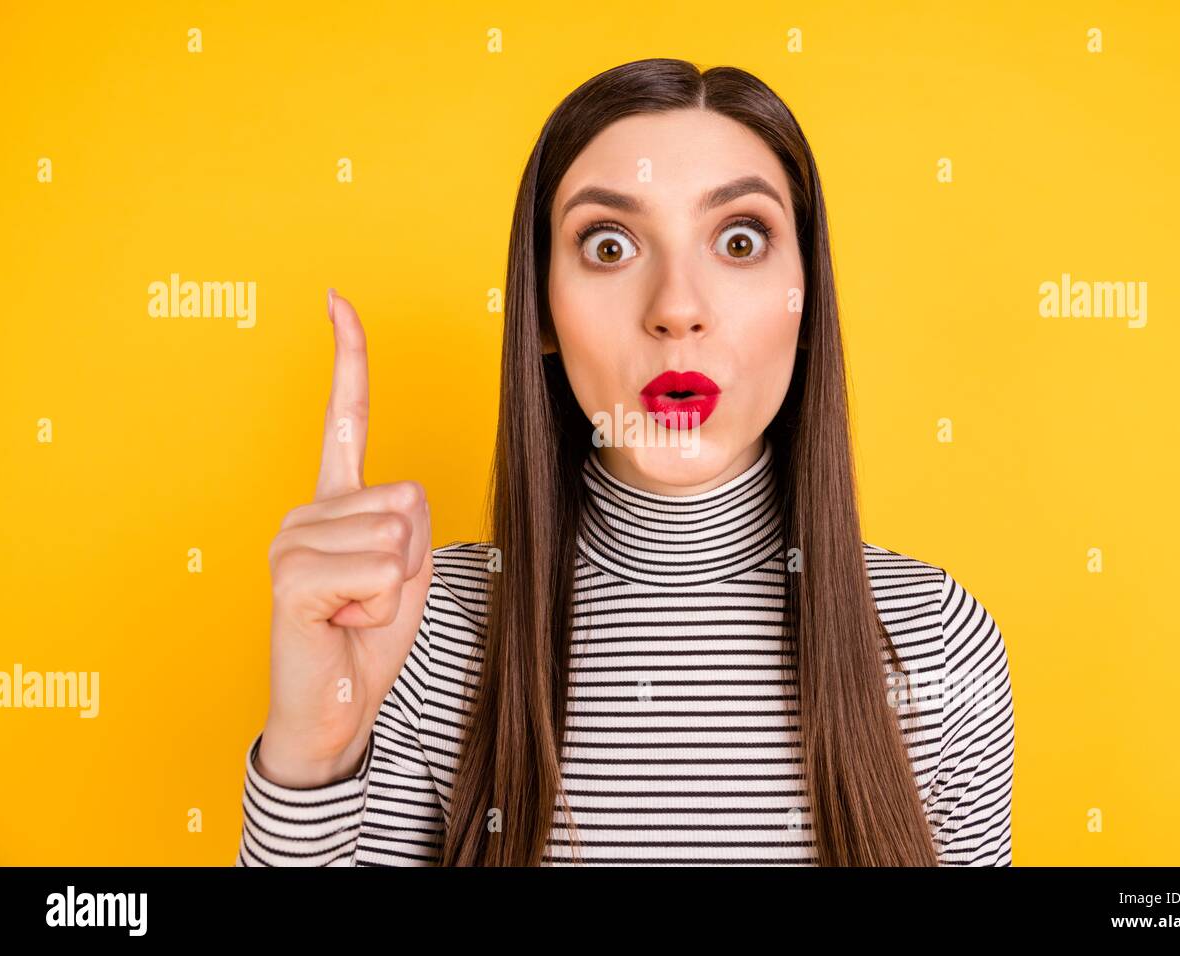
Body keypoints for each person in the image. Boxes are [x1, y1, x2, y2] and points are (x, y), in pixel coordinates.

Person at [237, 57, 1014, 867]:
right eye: (609, 245)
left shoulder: (935, 643)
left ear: (808, 300)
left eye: (740, 240)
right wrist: (313, 751)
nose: (677, 307)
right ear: (540, 308)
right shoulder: (419, 629)